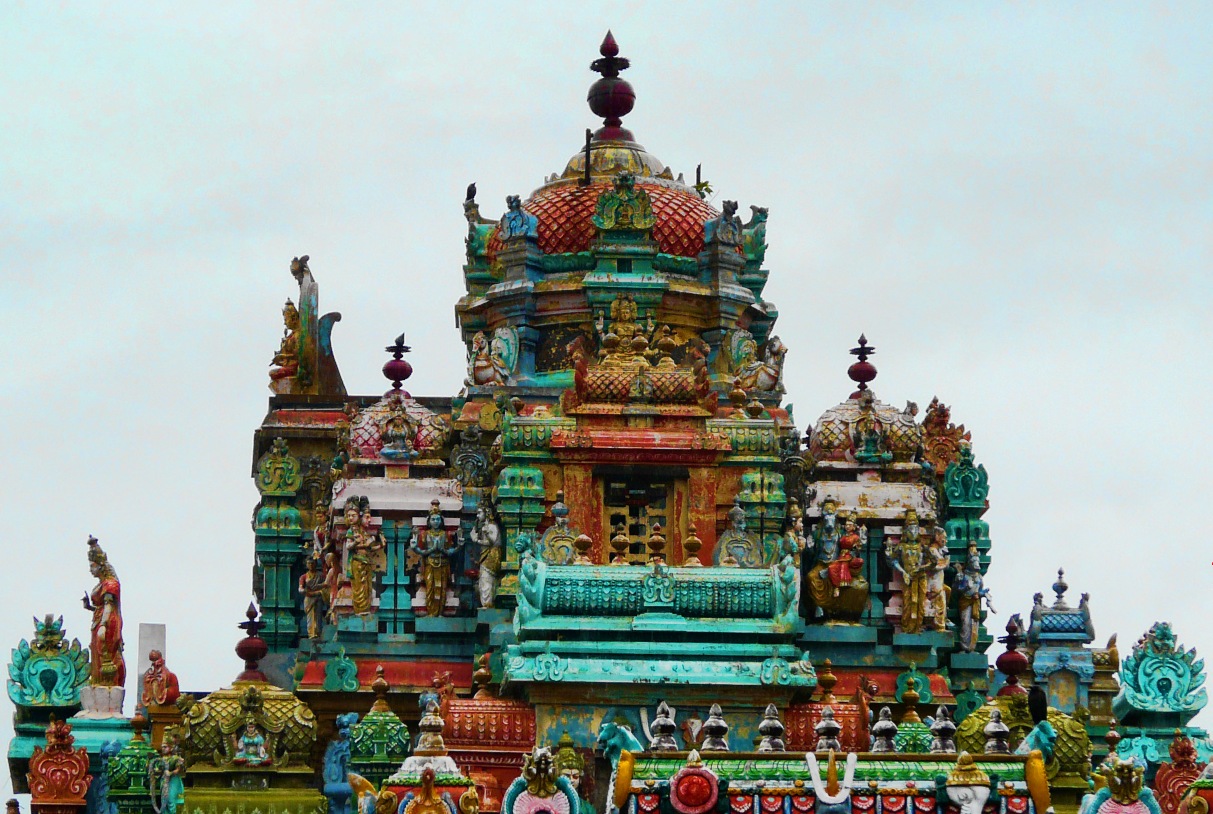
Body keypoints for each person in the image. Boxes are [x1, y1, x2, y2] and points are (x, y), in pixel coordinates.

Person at [81, 537, 124, 686]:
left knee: (104, 651)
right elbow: (101, 607)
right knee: (95, 652)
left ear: (101, 566)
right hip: (98, 619)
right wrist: (89, 607)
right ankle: (97, 682)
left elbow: (108, 606)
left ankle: (108, 682)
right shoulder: (101, 584)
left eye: (93, 566)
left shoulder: (110, 584)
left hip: (107, 621)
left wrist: (104, 625)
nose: (90, 569)